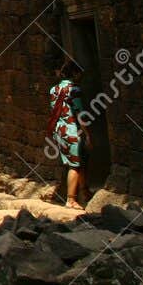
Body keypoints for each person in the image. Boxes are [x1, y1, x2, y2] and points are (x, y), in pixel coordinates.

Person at [50, 59, 88, 210]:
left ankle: (84, 192)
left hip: (58, 130)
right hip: (72, 131)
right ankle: (71, 199)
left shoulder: (54, 89)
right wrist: (87, 133)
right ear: (75, 73)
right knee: (75, 165)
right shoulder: (75, 90)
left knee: (76, 161)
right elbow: (79, 113)